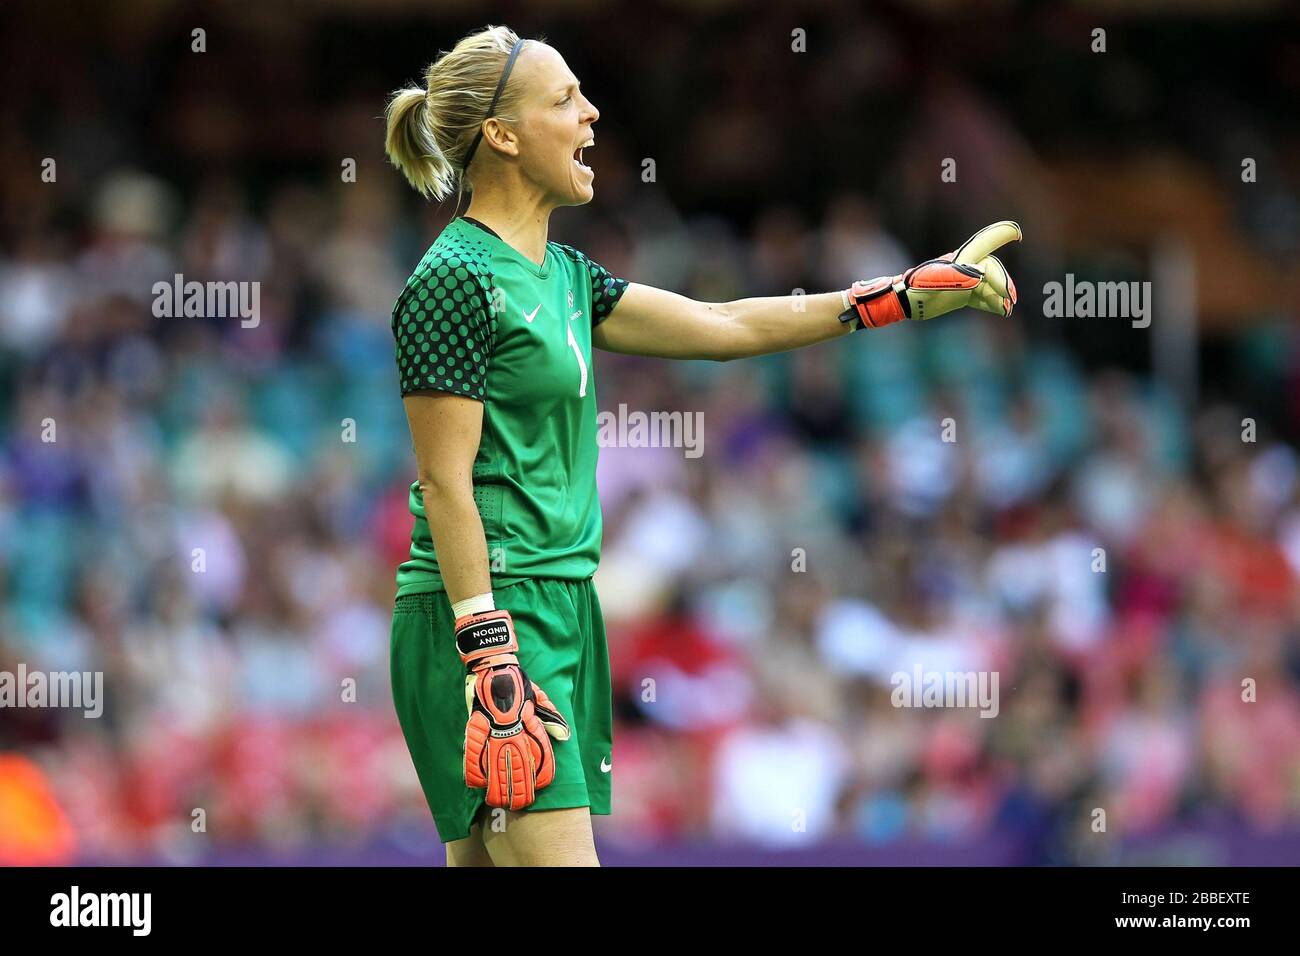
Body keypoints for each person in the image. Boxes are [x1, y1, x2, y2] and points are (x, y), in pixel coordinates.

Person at [383, 24, 1021, 867]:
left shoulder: (567, 275)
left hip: (559, 603)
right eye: (565, 99)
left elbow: (725, 324)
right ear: (502, 135)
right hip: (493, 618)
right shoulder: (452, 282)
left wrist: (901, 295)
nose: (592, 113)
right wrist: (488, 647)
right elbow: (445, 482)